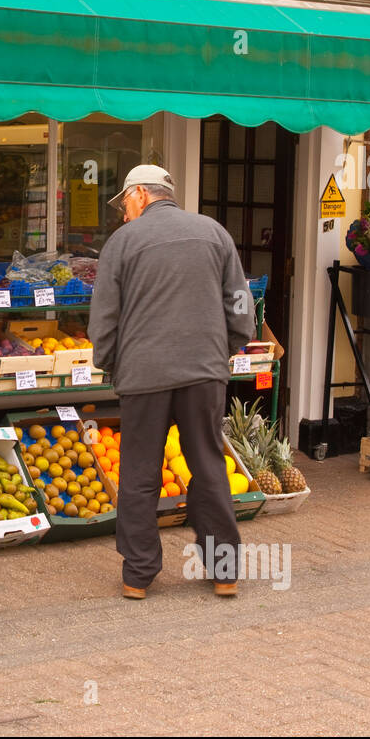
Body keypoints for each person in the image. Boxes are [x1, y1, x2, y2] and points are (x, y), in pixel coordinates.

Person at [88, 165, 255, 599]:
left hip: (144, 375)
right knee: (209, 465)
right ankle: (224, 572)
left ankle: (138, 576)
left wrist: (111, 365)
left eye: (125, 201)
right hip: (204, 373)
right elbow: (240, 303)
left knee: (140, 473)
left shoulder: (122, 242)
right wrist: (225, 350)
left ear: (141, 194)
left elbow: (104, 318)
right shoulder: (214, 233)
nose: (125, 212)